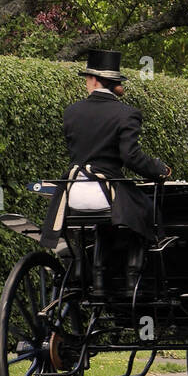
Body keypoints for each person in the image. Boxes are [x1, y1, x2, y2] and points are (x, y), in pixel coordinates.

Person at [39, 49, 170, 292]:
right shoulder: (127, 114)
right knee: (148, 210)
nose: (86, 83)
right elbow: (131, 157)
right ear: (114, 83)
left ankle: (93, 276)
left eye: (87, 78)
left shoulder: (71, 112)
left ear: (95, 80)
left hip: (73, 193)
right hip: (104, 191)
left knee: (103, 225)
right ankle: (133, 279)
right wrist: (159, 170)